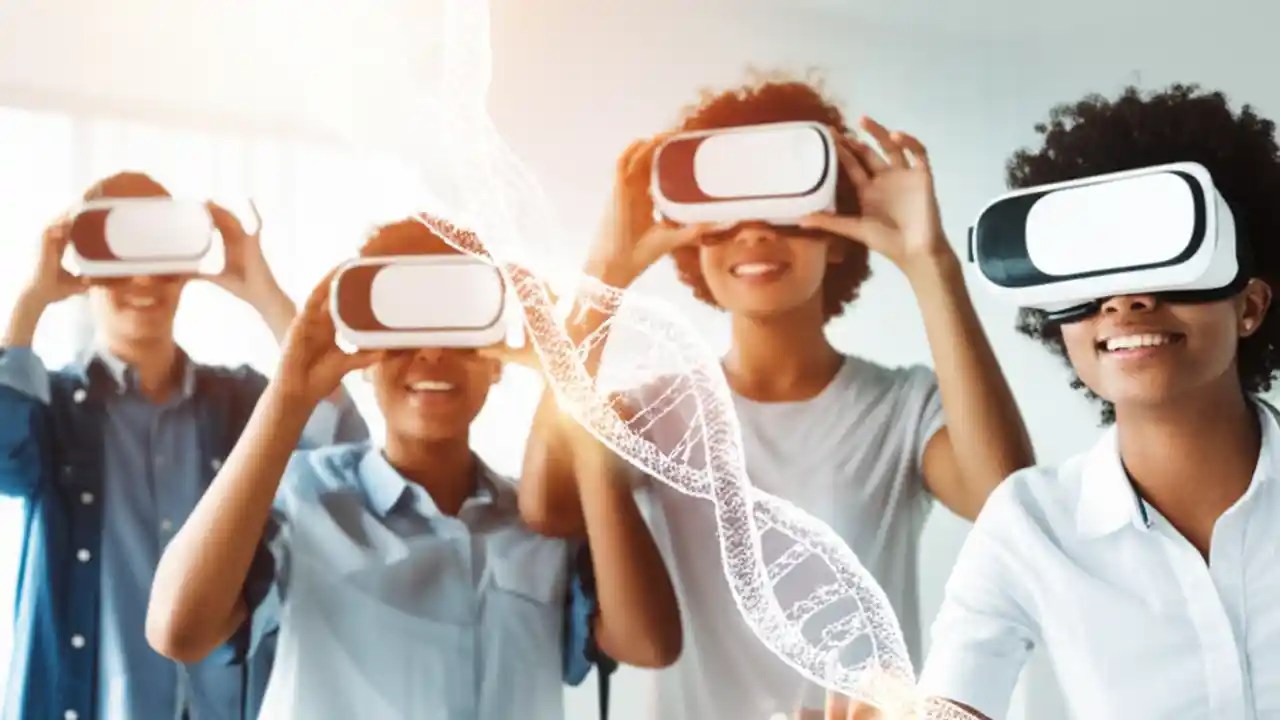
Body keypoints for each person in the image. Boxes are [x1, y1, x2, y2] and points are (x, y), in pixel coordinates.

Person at [518, 76, 1035, 719]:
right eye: (725, 213)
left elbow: (1006, 504)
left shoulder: (902, 408)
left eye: (785, 207)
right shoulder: (652, 412)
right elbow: (547, 505)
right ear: (690, 234)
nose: (754, 234)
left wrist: (929, 261)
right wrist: (607, 270)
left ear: (837, 227)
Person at [145, 218, 682, 720]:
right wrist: (290, 393)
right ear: (366, 354)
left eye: (457, 327)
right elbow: (178, 631)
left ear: (496, 357)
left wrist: (572, 391)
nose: (431, 353)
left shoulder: (538, 525)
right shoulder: (303, 499)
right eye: (403, 330)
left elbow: (650, 644)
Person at [919, 85, 1280, 719]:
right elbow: (951, 705)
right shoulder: (1029, 525)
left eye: (1166, 259)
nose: (1125, 301)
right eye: (1092, 275)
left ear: (1248, 305)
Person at [0, 172, 368, 720]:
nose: (144, 277)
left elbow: (341, 452)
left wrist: (264, 294)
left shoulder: (241, 402)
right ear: (84, 265)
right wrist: (29, 305)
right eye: (120, 255)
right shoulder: (54, 409)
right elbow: (5, 462)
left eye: (161, 254)